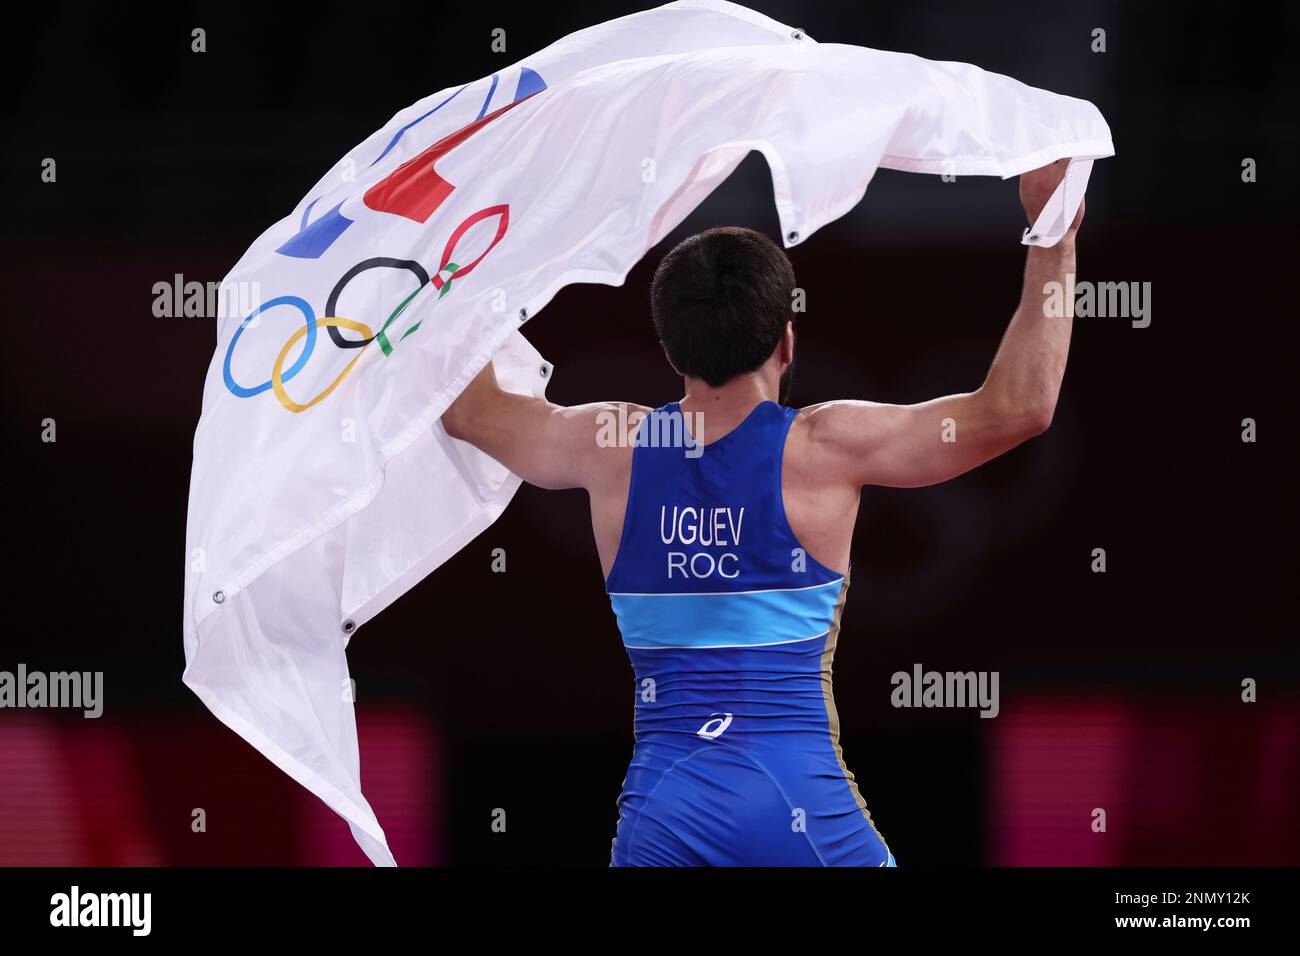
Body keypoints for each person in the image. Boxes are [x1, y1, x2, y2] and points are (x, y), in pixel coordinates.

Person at [442, 159, 1083, 866]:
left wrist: (443, 253)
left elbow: (469, 409)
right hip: (801, 808)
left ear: (668, 347)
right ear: (786, 342)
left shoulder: (609, 447)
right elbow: (1018, 409)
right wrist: (1052, 237)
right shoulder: (828, 447)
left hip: (664, 814)